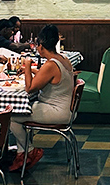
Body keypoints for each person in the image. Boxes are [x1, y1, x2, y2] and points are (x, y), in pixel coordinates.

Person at [9, 24, 74, 174]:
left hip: (56, 111)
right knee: (19, 111)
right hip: (66, 110)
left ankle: (30, 151)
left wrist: (26, 65)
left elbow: (30, 88)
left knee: (11, 116)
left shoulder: (50, 64)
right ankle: (21, 154)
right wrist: (32, 69)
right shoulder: (63, 59)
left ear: (41, 45)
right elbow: (49, 77)